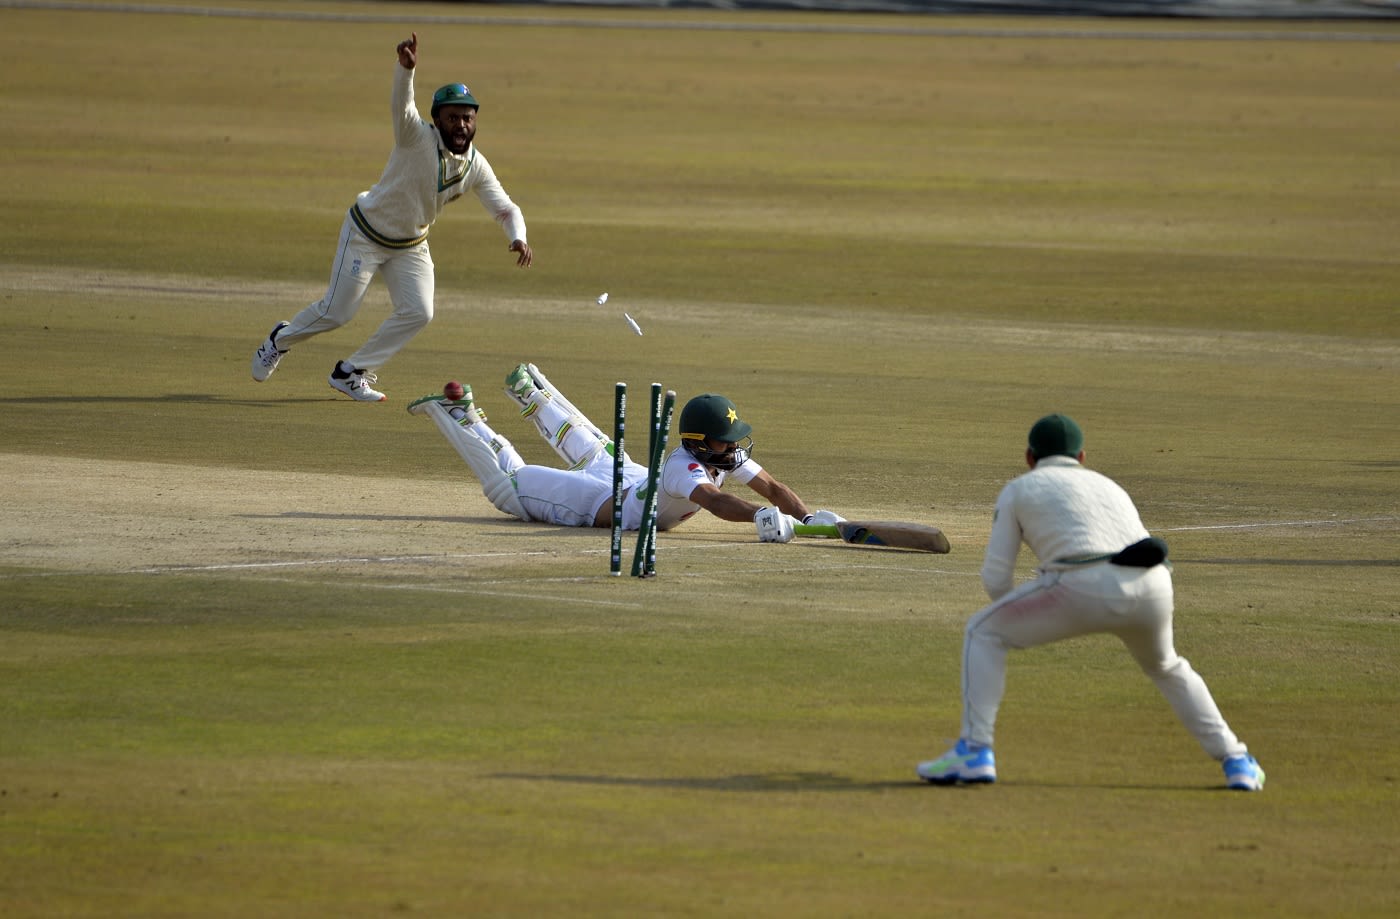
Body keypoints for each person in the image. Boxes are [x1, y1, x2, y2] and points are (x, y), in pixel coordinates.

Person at [917, 414, 1265, 791]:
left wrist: (1023, 620)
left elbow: (996, 579)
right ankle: (1238, 760)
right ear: (1082, 456)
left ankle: (975, 750)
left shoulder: (1020, 488)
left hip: (1081, 585)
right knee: (1168, 666)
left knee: (983, 632)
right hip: (1154, 584)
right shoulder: (1110, 486)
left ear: (1029, 457)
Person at [250, 32, 532, 402]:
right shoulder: (413, 136)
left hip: (410, 244)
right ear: (437, 120)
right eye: (452, 118)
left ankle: (351, 372)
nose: (461, 125)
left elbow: (506, 208)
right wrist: (406, 70)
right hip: (365, 234)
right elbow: (403, 104)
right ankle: (279, 340)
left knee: (419, 311)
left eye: (467, 117)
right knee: (337, 314)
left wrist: (518, 235)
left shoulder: (476, 165)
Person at [405, 362, 843, 541]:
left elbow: (773, 487)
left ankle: (532, 392)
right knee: (508, 488)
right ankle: (462, 415)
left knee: (592, 445)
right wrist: (757, 518)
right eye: (726, 438)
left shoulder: (724, 455)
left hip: (633, 480)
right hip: (598, 505)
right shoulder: (684, 467)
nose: (734, 446)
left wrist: (804, 516)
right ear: (699, 442)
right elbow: (716, 501)